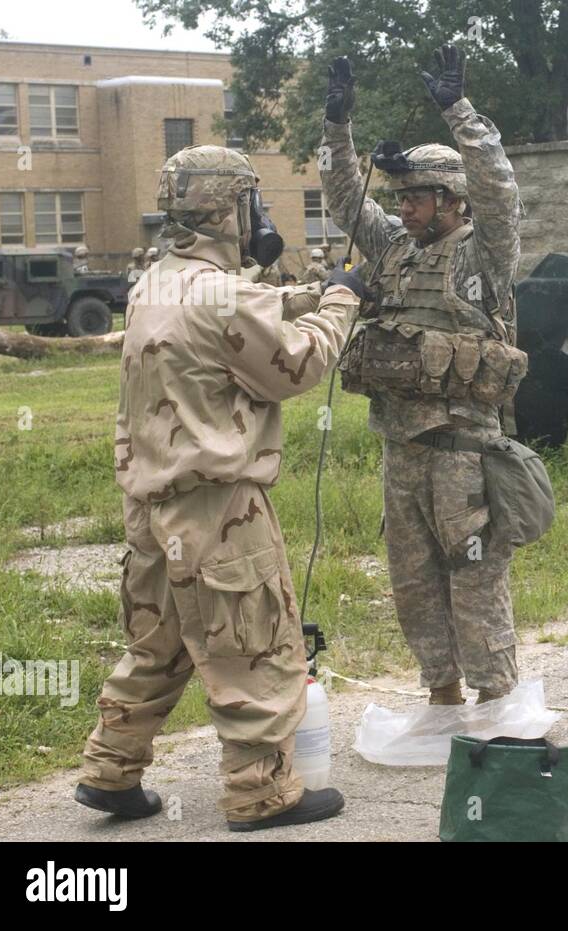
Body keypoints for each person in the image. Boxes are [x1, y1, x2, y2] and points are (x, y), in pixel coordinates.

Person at [75, 143, 366, 831]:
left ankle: (111, 771)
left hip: (151, 505)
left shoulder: (156, 281)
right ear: (230, 206)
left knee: (159, 643)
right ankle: (260, 792)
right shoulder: (226, 295)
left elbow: (242, 313)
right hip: (218, 509)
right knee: (254, 645)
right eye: (250, 201)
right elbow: (294, 365)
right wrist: (344, 302)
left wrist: (307, 291)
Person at [320, 46, 526, 705]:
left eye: (417, 197)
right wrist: (337, 125)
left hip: (463, 447)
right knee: (410, 577)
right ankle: (441, 694)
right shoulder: (392, 248)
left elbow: (498, 187)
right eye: (401, 197)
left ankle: (496, 699)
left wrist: (458, 110)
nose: (404, 208)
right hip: (399, 445)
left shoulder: (482, 251)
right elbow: (344, 198)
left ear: (451, 201)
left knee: (473, 572)